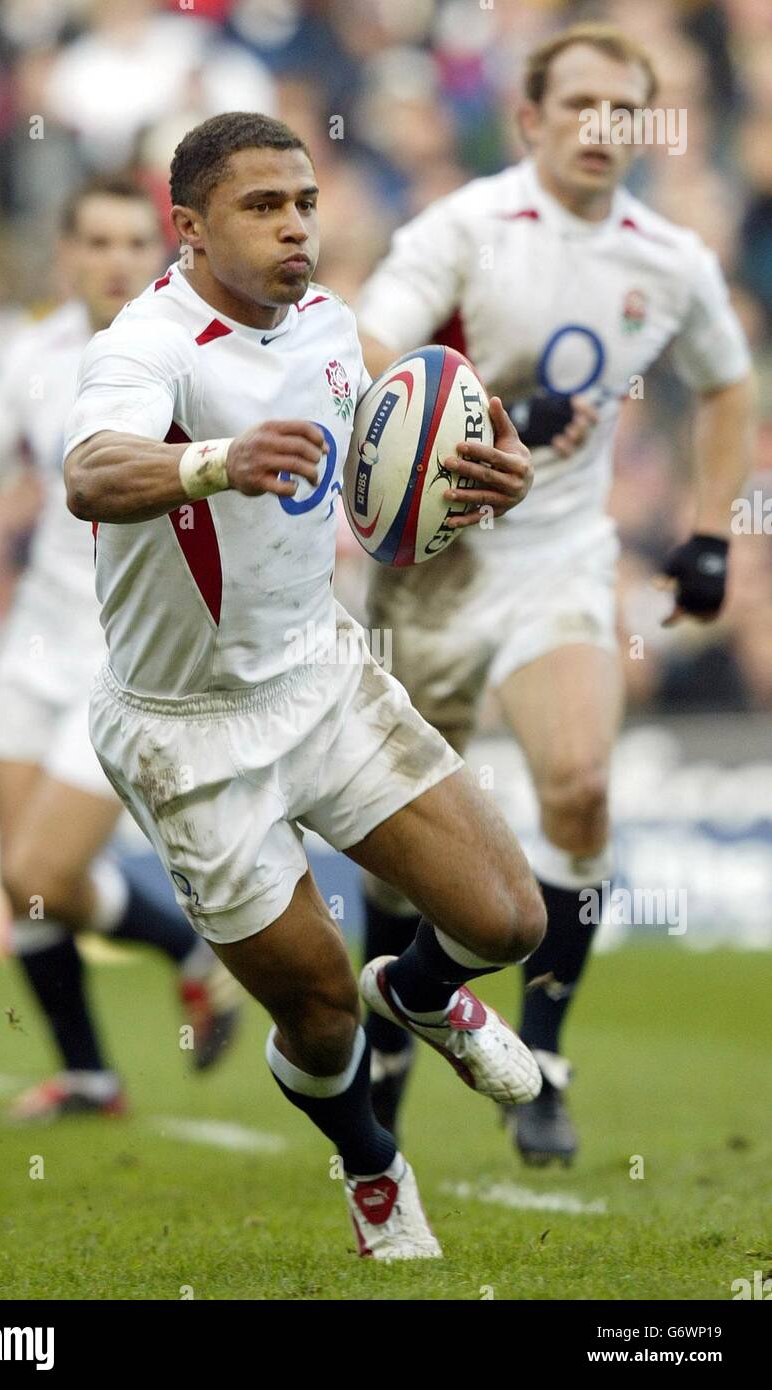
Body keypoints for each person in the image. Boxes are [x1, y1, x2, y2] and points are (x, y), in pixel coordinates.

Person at [63, 111, 546, 1260]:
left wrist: (491, 466)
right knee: (320, 1013)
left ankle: (422, 992)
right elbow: (90, 472)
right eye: (260, 207)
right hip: (184, 732)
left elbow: (408, 438)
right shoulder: (147, 345)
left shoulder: (330, 325)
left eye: (304, 204)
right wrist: (215, 459)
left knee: (505, 918)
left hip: (322, 677)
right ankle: (372, 1165)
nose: (294, 228)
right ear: (185, 227)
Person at [354, 22, 755, 1163]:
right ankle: (392, 1035)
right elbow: (365, 353)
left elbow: (725, 387)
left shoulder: (666, 257)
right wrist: (477, 408)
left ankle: (544, 1062)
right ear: (528, 119)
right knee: (398, 837)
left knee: (576, 784)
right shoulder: (464, 230)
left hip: (558, 560)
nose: (599, 127)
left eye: (621, 109)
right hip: (431, 569)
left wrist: (706, 533)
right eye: (575, 104)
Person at [0, 177, 242, 1123]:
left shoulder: (181, 349)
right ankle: (91, 1078)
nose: (111, 260)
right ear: (65, 254)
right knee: (16, 882)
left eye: (127, 241)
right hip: (32, 647)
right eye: (93, 241)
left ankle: (186, 947)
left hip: (126, 655)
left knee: (41, 877)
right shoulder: (35, 350)